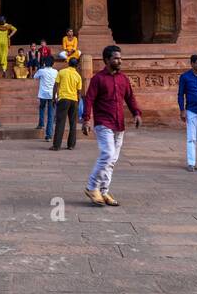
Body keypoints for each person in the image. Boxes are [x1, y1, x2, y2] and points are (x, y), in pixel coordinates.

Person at [81, 45, 142, 206]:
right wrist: (86, 119)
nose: (119, 61)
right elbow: (89, 99)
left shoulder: (123, 79)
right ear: (107, 60)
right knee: (107, 154)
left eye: (120, 58)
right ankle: (91, 186)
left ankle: (104, 191)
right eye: (116, 58)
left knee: (112, 160)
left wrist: (136, 113)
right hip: (103, 123)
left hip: (119, 123)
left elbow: (130, 98)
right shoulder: (98, 79)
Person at [51, 52, 83, 151]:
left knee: (60, 122)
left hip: (63, 99)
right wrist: (78, 102)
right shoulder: (78, 76)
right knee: (73, 123)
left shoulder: (62, 72)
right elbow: (79, 91)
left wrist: (53, 97)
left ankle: (56, 146)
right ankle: (71, 145)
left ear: (68, 63)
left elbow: (56, 85)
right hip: (74, 100)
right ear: (76, 65)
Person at [34, 54, 58, 141]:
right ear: (53, 63)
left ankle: (41, 124)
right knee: (51, 115)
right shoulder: (55, 72)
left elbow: (35, 76)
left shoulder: (42, 71)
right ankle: (49, 135)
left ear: (44, 63)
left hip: (43, 94)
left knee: (42, 108)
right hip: (52, 95)